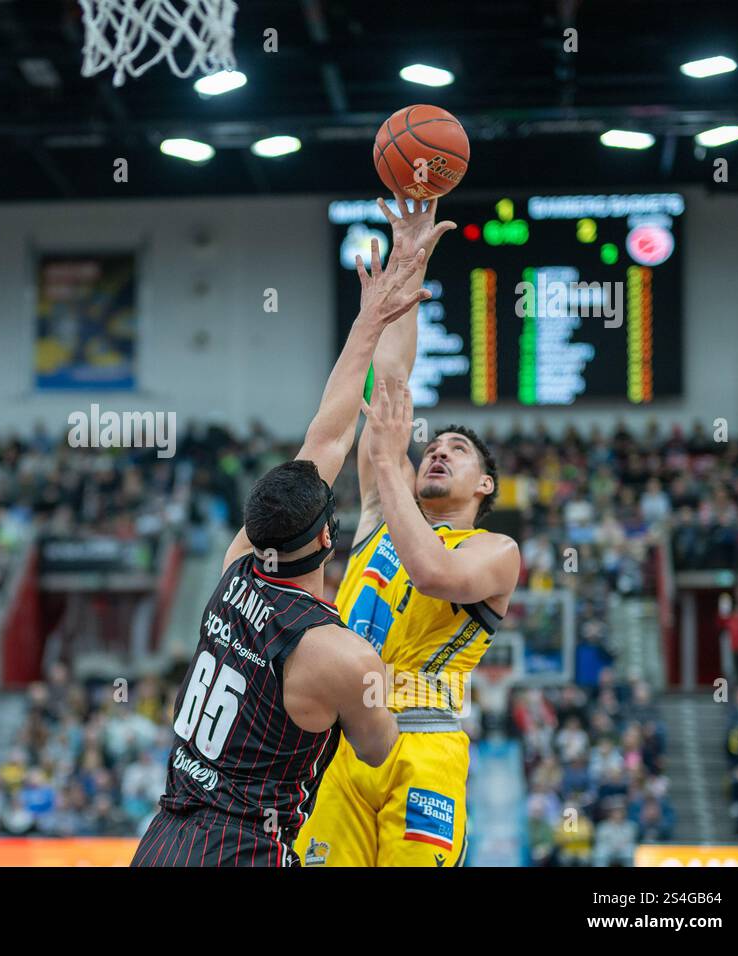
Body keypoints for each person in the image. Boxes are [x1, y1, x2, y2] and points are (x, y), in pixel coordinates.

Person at [132, 230, 433, 866]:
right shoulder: (340, 655)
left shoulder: (235, 568)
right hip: (241, 850)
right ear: (327, 537)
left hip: (162, 841)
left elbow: (325, 439)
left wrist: (370, 319)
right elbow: (380, 749)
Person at [297, 195, 520, 868]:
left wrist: (393, 461)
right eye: (434, 445)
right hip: (339, 744)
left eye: (458, 450)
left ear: (485, 486)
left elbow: (432, 573)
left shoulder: (494, 551)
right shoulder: (381, 513)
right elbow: (391, 379)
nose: (439, 452)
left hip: (424, 743)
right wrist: (410, 259)